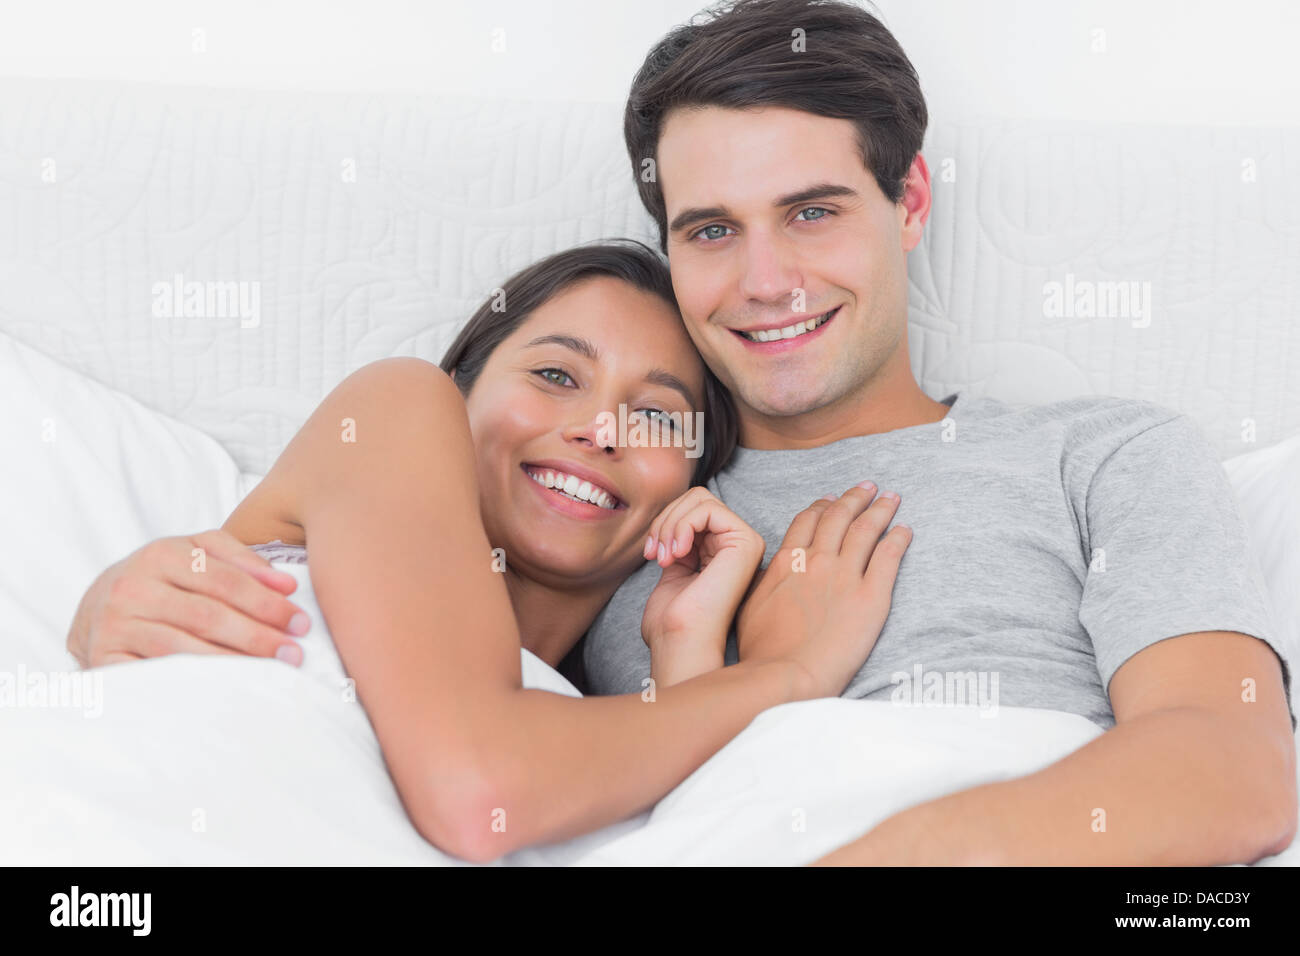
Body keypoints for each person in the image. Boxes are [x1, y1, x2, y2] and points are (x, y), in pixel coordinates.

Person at [73, 0, 1297, 865]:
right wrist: (125, 603)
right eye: (711, 229)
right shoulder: (629, 515)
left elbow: (1231, 768)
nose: (764, 280)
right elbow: (408, 700)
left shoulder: (1106, 454)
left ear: (908, 200)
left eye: (811, 212)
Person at [66, 239, 911, 863]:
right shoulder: (401, 404)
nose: (599, 429)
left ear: (693, 483)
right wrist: (787, 677)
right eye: (554, 376)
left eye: (656, 416)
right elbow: (477, 791)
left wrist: (686, 654)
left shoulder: (581, 745)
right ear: (461, 393)